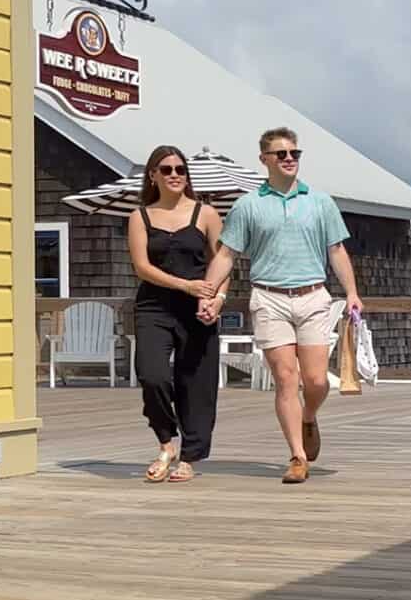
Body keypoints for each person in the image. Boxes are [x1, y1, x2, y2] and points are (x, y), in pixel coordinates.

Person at [199, 127, 363, 484]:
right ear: (265, 160)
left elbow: (336, 250)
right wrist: (208, 294)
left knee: (316, 380)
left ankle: (308, 416)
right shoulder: (248, 206)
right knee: (286, 379)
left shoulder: (320, 202)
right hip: (269, 298)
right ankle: (297, 457)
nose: (289, 159)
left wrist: (351, 292)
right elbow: (227, 255)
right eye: (281, 154)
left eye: (294, 153)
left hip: (313, 296)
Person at [127, 146, 228, 483]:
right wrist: (185, 285)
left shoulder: (207, 214)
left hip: (198, 309)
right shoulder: (140, 216)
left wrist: (218, 299)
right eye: (166, 169)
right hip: (154, 306)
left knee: (196, 383)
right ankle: (166, 442)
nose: (174, 175)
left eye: (180, 170)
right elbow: (142, 267)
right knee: (151, 374)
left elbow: (224, 263)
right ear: (153, 175)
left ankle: (190, 457)